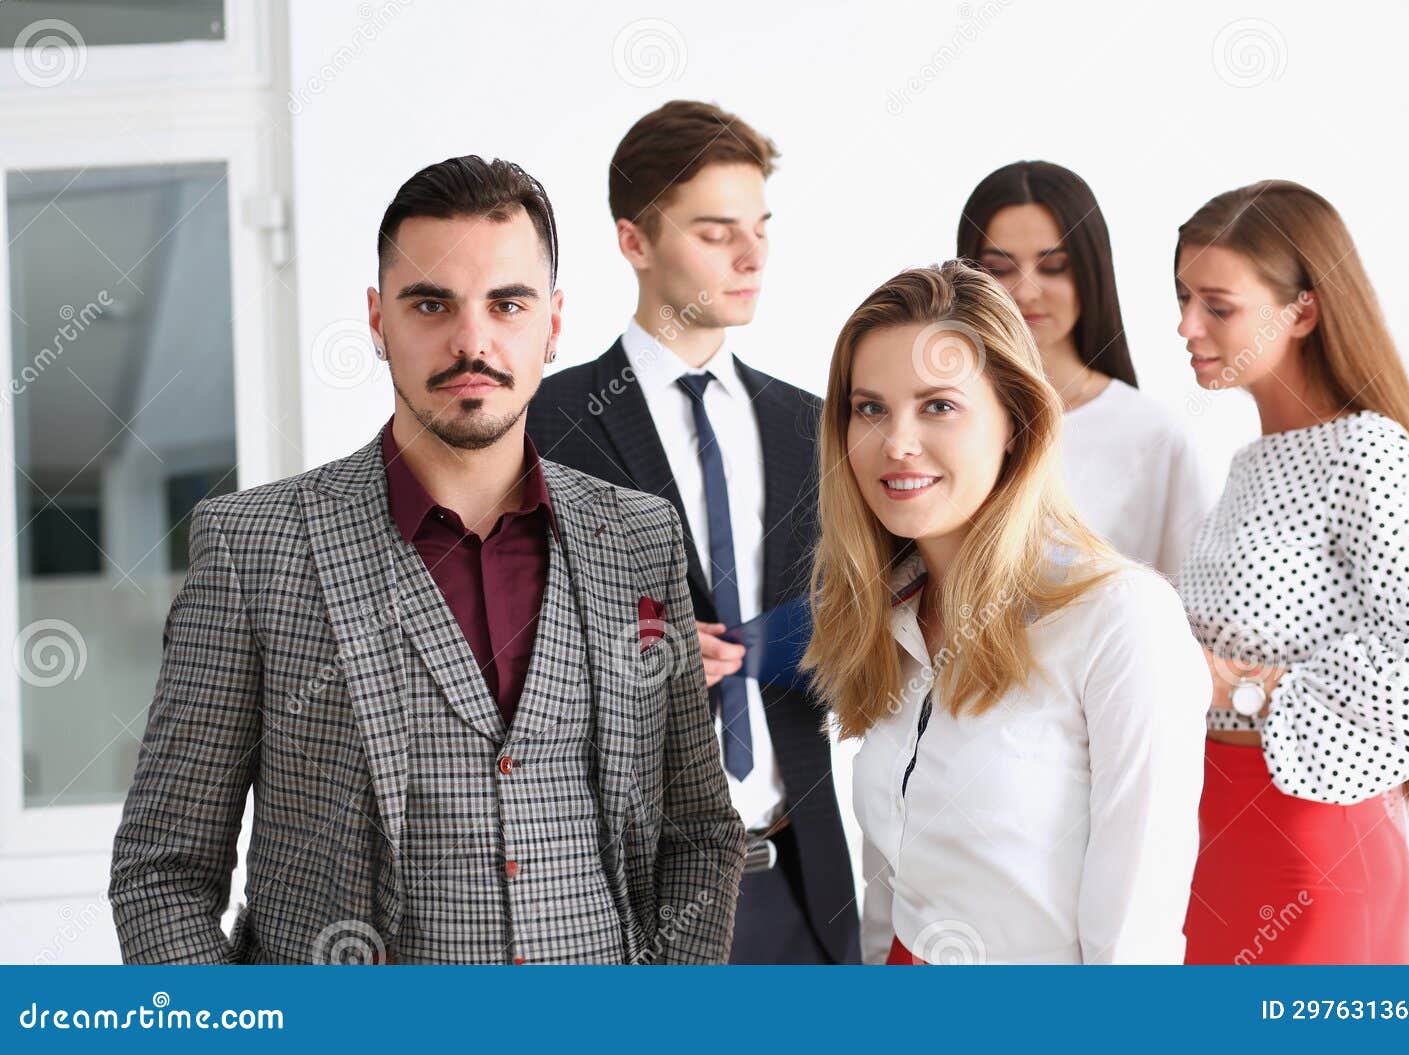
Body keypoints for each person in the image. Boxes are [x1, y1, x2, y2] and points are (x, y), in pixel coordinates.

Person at [109, 156, 743, 965]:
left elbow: (699, 832)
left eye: (506, 304)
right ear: (378, 321)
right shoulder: (253, 546)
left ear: (552, 324)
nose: (470, 342)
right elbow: (163, 870)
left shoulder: (640, 537)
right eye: (431, 304)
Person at [527, 101, 860, 963]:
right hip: (625, 890)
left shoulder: (812, 427)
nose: (752, 258)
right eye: (716, 234)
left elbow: (856, 633)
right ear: (634, 242)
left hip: (803, 877)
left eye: (760, 229)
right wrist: (629, 651)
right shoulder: (549, 424)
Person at [801, 260, 1208, 964]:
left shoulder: (1121, 618)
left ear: (1016, 422)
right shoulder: (888, 614)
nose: (896, 442)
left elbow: (1136, 944)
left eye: (938, 406)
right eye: (870, 408)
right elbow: (889, 889)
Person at [1174, 179, 1409, 964]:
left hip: (1305, 857)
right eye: (1184, 296)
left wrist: (1234, 688)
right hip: (1212, 842)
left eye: (1217, 305)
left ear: (1302, 311)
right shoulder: (1247, 466)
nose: (1186, 325)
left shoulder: (1369, 454)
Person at [958, 161, 1210, 579]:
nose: (1025, 291)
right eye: (1000, 269)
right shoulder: (934, 419)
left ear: (1091, 272)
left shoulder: (1154, 436)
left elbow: (1196, 617)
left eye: (1053, 266)